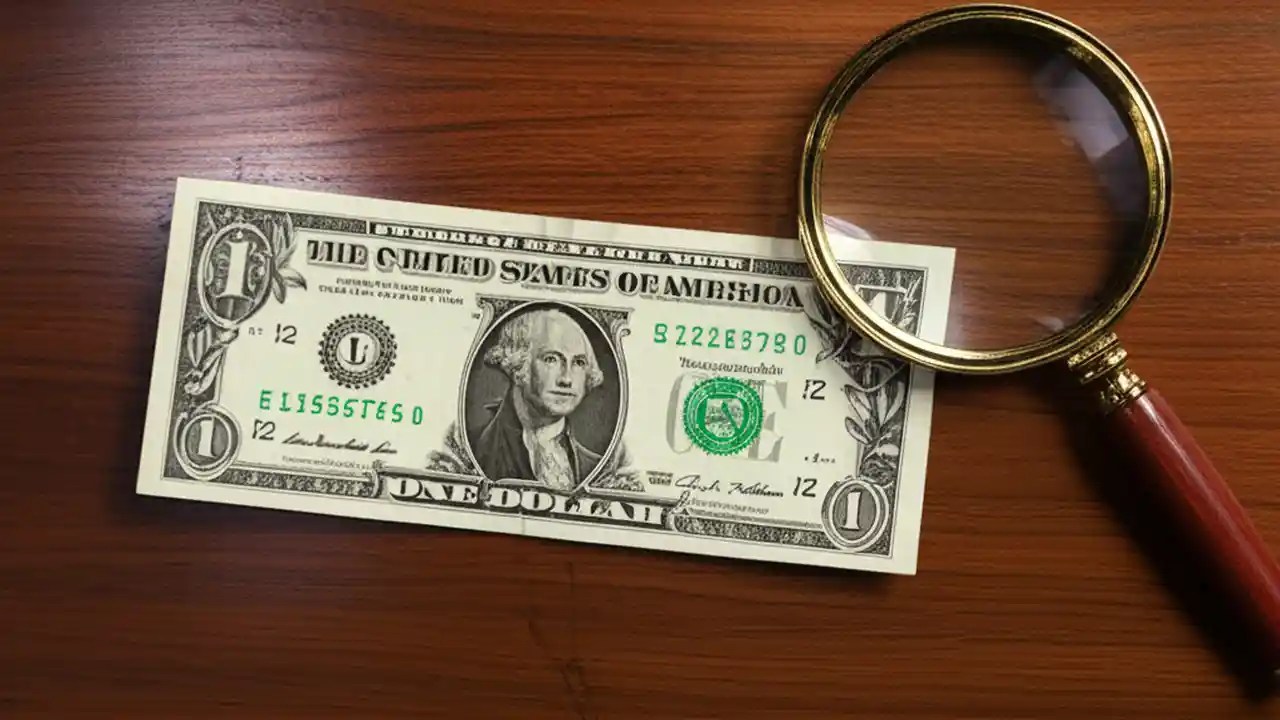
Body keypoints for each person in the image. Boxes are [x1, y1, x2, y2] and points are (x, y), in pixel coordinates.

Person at [472, 308, 605, 489]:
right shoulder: (473, 450)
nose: (566, 379)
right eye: (551, 359)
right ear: (518, 362)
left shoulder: (600, 469)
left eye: (579, 362)